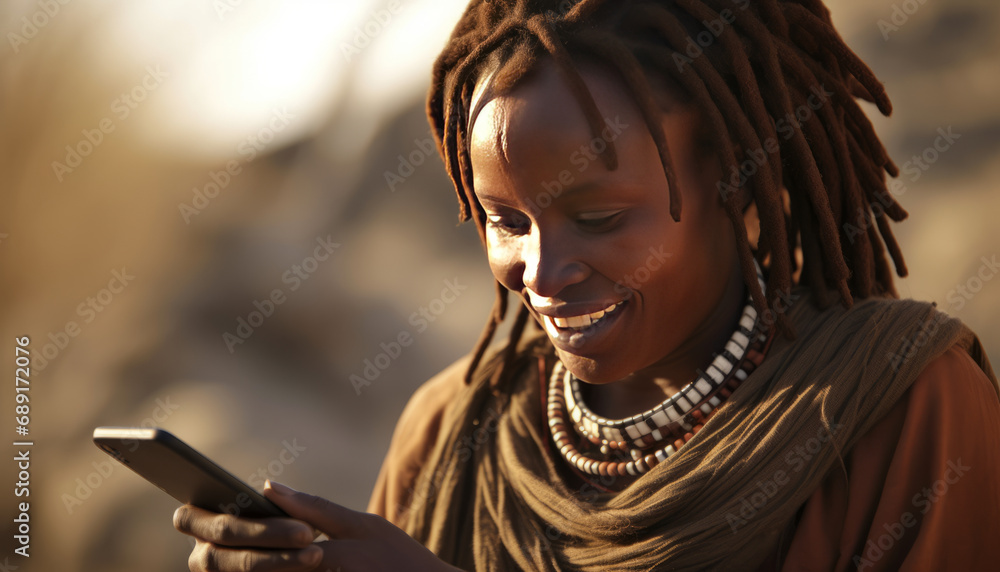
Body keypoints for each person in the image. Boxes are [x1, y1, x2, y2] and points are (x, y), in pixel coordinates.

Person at [171, 0, 1000, 570]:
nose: (541, 272)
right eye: (506, 220)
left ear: (741, 185)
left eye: (599, 219)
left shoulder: (901, 415)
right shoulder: (450, 436)